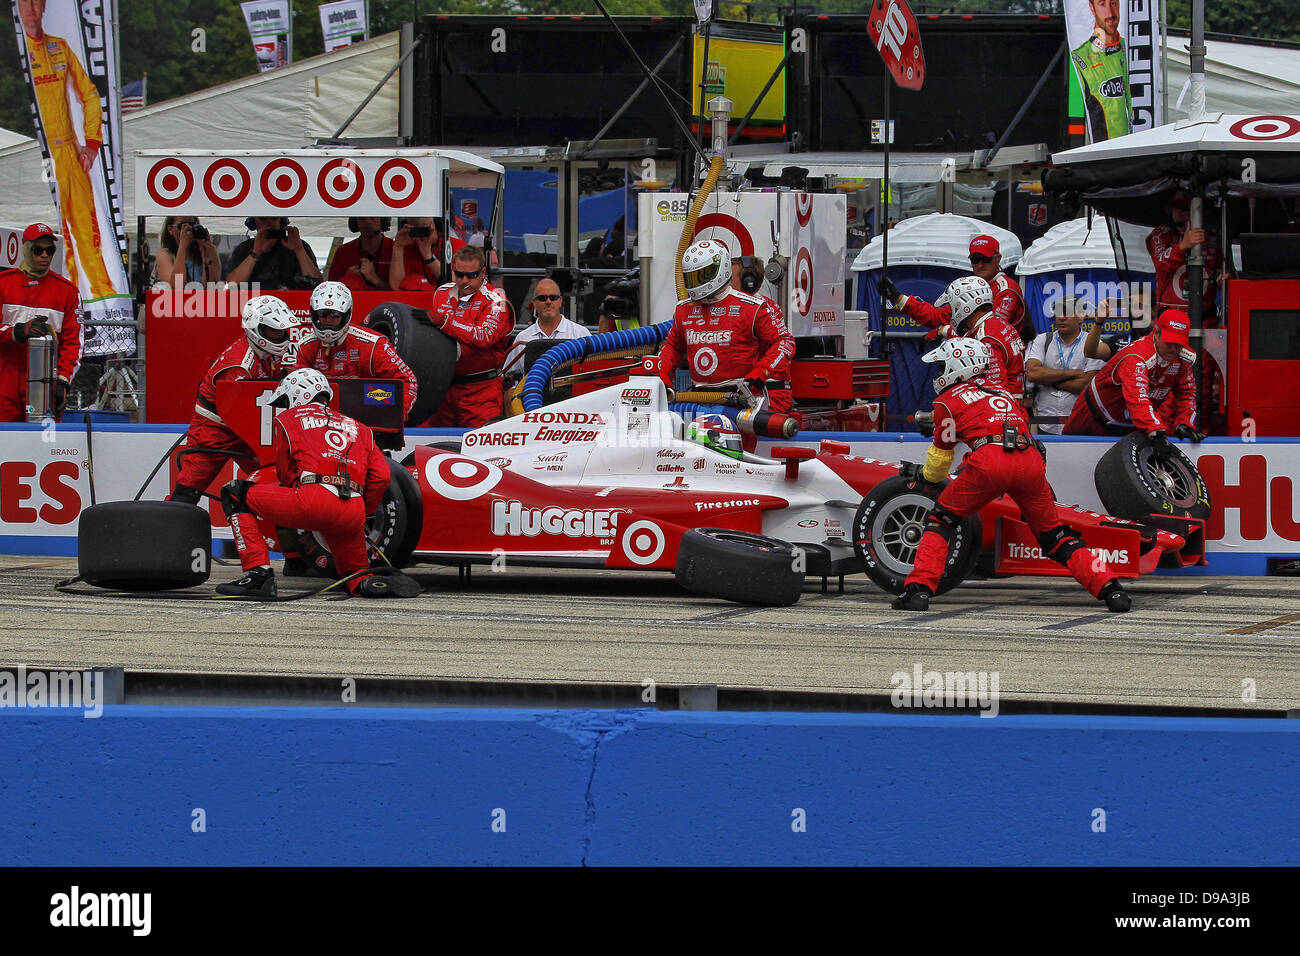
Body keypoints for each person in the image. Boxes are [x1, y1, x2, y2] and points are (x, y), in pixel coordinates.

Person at [890, 337, 1130, 613]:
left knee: (940, 520)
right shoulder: (1002, 393)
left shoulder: (946, 401)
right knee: (1056, 537)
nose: (940, 372)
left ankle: (918, 590)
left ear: (957, 366)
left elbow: (940, 462)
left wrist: (924, 475)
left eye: (944, 365)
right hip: (1029, 461)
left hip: (989, 462)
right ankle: (1111, 587)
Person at [216, 369, 396, 600]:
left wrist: (303, 495)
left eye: (285, 401)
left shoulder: (289, 419)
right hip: (353, 508)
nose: (284, 407)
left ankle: (258, 573)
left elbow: (285, 472)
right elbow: (381, 476)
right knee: (356, 577)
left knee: (234, 492)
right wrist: (365, 510)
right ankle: (361, 583)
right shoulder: (362, 429)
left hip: (313, 499)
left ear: (297, 395)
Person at [18, 0, 116, 301]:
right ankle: (49, 298)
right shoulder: (17, 52)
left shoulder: (58, 47)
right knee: (48, 235)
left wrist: (91, 143)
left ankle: (101, 301)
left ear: (44, 6)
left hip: (69, 153)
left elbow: (89, 93)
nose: (32, 8)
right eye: (26, 2)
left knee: (87, 231)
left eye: (37, 2)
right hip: (33, 154)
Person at [168, 295, 297, 505]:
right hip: (214, 429)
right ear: (256, 330)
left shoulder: (266, 352)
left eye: (282, 331)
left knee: (278, 478)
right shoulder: (239, 366)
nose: (280, 336)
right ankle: (172, 525)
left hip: (246, 431)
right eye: (274, 331)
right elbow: (239, 410)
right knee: (188, 489)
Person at [658, 238, 796, 413]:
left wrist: (762, 371)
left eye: (702, 275)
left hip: (742, 399)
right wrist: (660, 371)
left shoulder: (753, 307)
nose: (697, 282)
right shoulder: (683, 310)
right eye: (692, 277)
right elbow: (672, 346)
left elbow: (785, 343)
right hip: (698, 400)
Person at [1062, 309, 1203, 443]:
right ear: (1156, 333)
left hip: (1128, 425)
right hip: (1092, 415)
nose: (1173, 349)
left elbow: (1187, 394)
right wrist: (1154, 429)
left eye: (1178, 344)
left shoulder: (1184, 358)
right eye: (1169, 343)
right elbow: (1137, 397)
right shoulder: (1137, 356)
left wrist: (1184, 423)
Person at [288, 281, 419, 420]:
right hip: (322, 420)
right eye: (323, 313)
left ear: (346, 314)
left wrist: (398, 414)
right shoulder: (306, 345)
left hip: (367, 418)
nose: (328, 319)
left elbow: (408, 381)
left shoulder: (373, 345)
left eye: (335, 314)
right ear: (314, 314)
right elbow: (297, 390)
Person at [424, 245, 514, 427]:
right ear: (452, 271)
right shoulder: (441, 293)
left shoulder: (497, 300)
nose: (465, 281)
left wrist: (445, 322)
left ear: (482, 273)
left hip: (481, 391)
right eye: (459, 274)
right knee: (437, 447)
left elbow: (483, 336)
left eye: (471, 276)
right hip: (443, 389)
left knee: (481, 451)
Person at [0, 223, 82, 422]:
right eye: (38, 250)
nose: (45, 255)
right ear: (26, 249)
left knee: (46, 444)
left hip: (47, 378)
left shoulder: (67, 291)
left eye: (50, 250)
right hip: (5, 376)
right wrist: (15, 332)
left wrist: (62, 381)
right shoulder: (3, 283)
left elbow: (74, 343)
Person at [880, 235, 1027, 339]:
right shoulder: (971, 288)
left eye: (986, 259)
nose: (981, 264)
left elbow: (990, 331)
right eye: (975, 260)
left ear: (998, 258)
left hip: (1003, 371)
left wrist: (943, 331)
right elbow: (940, 316)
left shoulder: (1007, 290)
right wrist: (899, 298)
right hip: (976, 367)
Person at [904, 274, 1025, 398]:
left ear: (964, 305)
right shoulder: (998, 324)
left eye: (952, 307)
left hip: (1004, 409)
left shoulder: (986, 337)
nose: (951, 313)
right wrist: (941, 331)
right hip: (1013, 406)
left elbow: (995, 389)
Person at [1025, 295, 1103, 434]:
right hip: (1046, 424)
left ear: (1081, 317)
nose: (1061, 317)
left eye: (1067, 312)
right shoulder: (1043, 340)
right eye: (1058, 313)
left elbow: (1089, 384)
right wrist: (1075, 373)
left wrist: (1050, 380)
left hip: (1080, 424)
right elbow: (1033, 374)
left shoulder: (1093, 344)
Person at [1146, 192, 1224, 324]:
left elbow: (1224, 274)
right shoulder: (1160, 235)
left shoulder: (1214, 239)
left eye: (1186, 210)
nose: (1181, 214)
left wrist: (1223, 277)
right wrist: (1183, 246)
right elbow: (1160, 265)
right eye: (1177, 209)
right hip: (1170, 320)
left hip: (1205, 320)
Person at [502, 278, 590, 378]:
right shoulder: (522, 338)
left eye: (553, 297)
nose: (548, 302)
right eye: (542, 298)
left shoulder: (581, 334)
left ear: (560, 301)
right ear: (534, 303)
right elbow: (509, 381)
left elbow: (594, 372)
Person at [1070, 0, 1132, 142]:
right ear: (1092, 7)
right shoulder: (1079, 56)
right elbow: (1074, 112)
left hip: (1128, 149)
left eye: (1113, 3)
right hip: (1102, 155)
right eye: (1102, 4)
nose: (1110, 13)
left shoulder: (1126, 47)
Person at [226, 217, 321, 290]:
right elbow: (232, 284)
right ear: (253, 222)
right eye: (262, 219)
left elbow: (317, 283)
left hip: (293, 306)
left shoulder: (299, 245)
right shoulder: (245, 248)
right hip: (254, 307)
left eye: (274, 218)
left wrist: (299, 250)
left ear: (281, 221)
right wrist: (255, 252)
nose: (268, 223)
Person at [389, 217, 463, 291]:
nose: (421, 234)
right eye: (415, 230)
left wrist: (428, 256)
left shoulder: (456, 246)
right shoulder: (406, 248)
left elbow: (459, 285)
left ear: (435, 225)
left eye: (425, 230)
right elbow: (396, 287)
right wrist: (398, 247)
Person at [327, 217, 394, 292]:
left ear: (383, 220)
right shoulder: (343, 251)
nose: (368, 222)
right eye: (362, 218)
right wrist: (346, 281)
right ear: (355, 222)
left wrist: (375, 280)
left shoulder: (396, 249)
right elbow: (331, 290)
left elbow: (401, 294)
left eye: (373, 218)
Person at [153, 217, 221, 286]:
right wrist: (183, 248)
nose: (188, 229)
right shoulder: (164, 254)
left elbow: (210, 285)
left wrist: (205, 256)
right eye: (182, 225)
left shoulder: (209, 250)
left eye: (192, 225)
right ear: (170, 229)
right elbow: (176, 285)